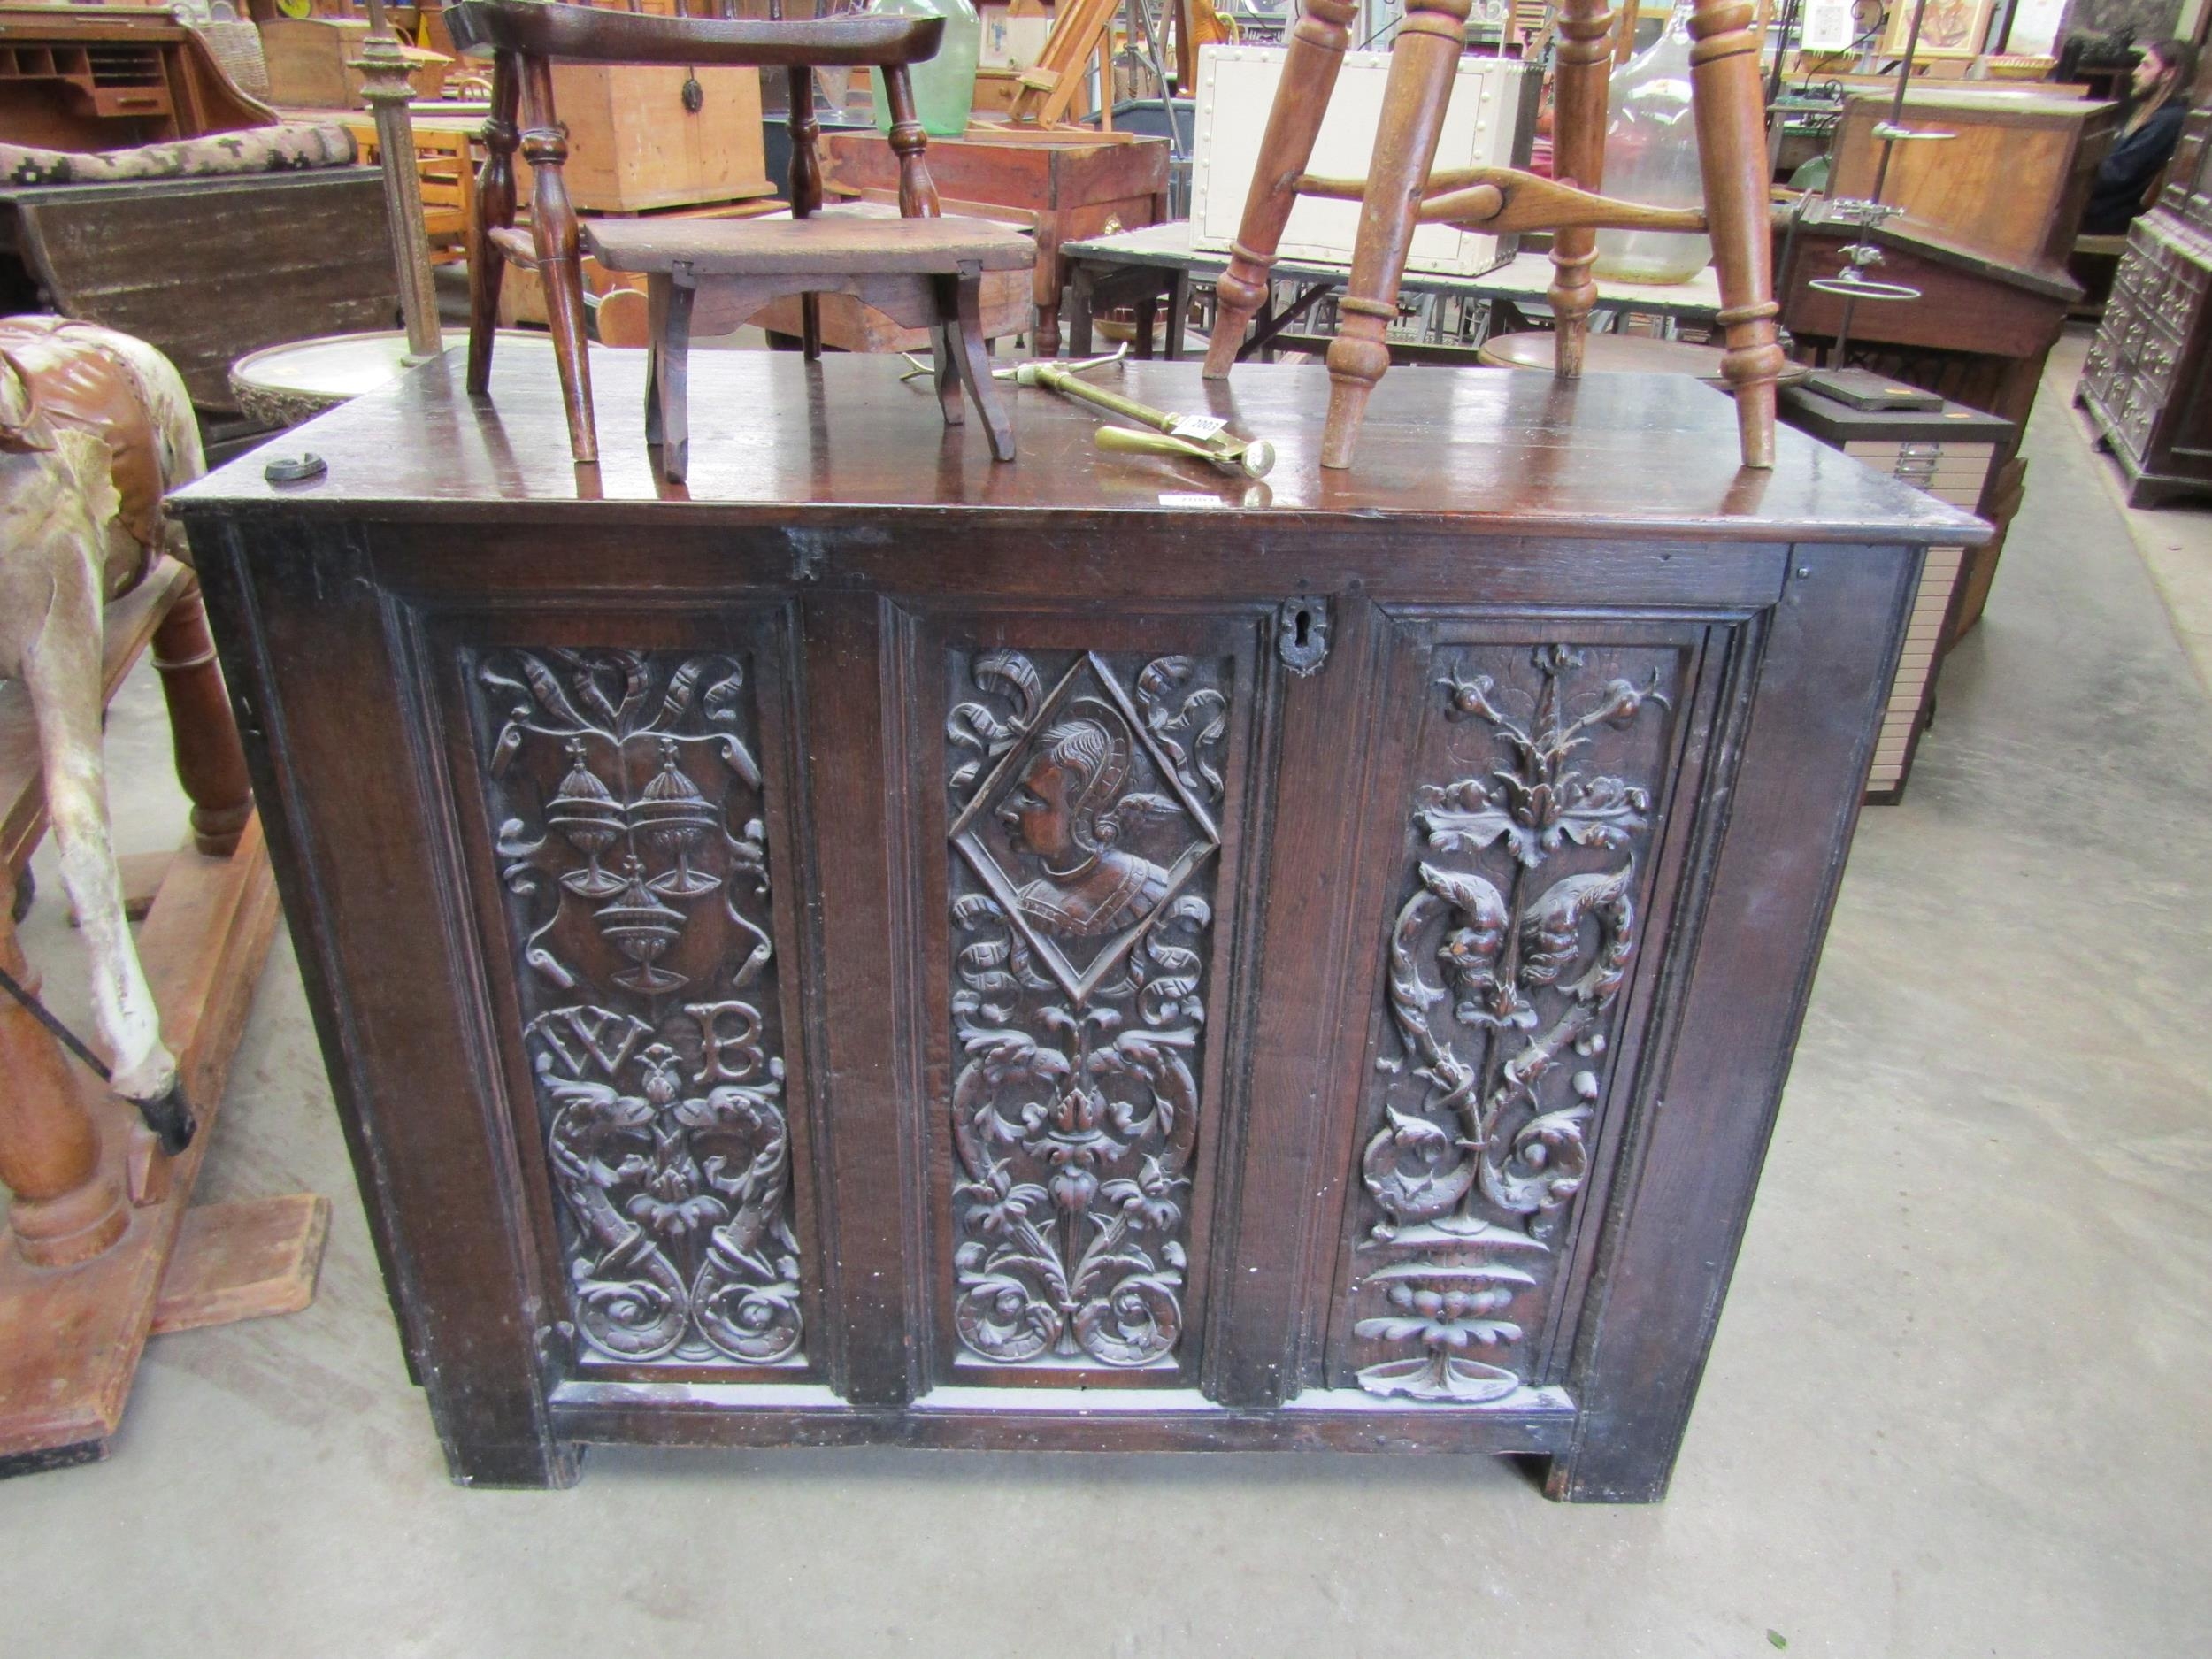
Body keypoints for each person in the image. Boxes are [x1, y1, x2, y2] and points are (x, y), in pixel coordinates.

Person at [2082, 39, 2200, 234]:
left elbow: (2119, 174)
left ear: (2168, 74)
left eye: (2146, 66)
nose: (2136, 72)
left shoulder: (2169, 120)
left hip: (2107, 216)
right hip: (2101, 208)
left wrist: (2069, 174)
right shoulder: (2159, 115)